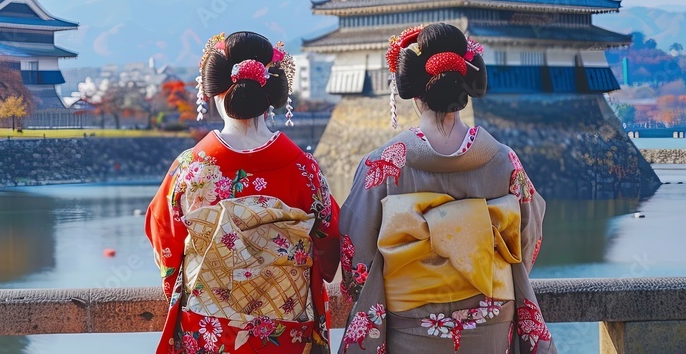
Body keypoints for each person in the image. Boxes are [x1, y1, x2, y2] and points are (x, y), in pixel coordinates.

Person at [338, 23, 554, 354]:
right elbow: (528, 240)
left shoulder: (381, 166)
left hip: (412, 323)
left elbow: (357, 259)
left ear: (411, 88)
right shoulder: (504, 161)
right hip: (491, 318)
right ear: (466, 85)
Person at [146, 31, 340, 354]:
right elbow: (330, 244)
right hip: (285, 331)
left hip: (209, 329)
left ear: (215, 94)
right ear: (272, 95)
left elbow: (164, 238)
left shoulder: (191, 168)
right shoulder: (304, 170)